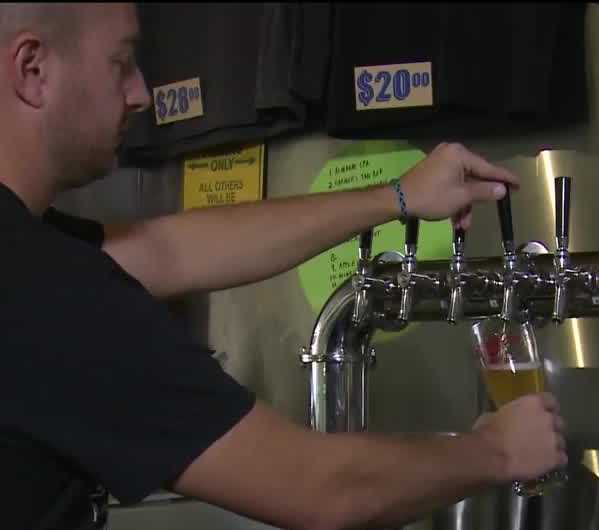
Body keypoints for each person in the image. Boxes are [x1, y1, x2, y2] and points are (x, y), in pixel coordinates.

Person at [0, 4, 567, 530]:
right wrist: (497, 450)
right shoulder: (46, 290)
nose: (141, 93)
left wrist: (394, 197)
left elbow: (165, 251)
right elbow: (316, 486)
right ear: (33, 70)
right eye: (120, 63)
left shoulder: (32, 252)